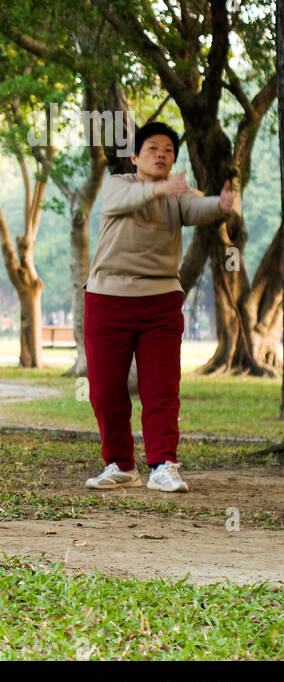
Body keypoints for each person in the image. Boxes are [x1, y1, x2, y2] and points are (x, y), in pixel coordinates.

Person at [83, 122, 236, 494]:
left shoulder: (178, 194)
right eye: (153, 148)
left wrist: (221, 204)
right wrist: (161, 188)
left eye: (168, 150)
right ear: (134, 157)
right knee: (105, 391)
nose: (162, 155)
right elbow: (128, 202)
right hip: (108, 299)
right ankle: (119, 465)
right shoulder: (118, 185)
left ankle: (164, 464)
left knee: (161, 389)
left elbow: (198, 207)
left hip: (161, 303)